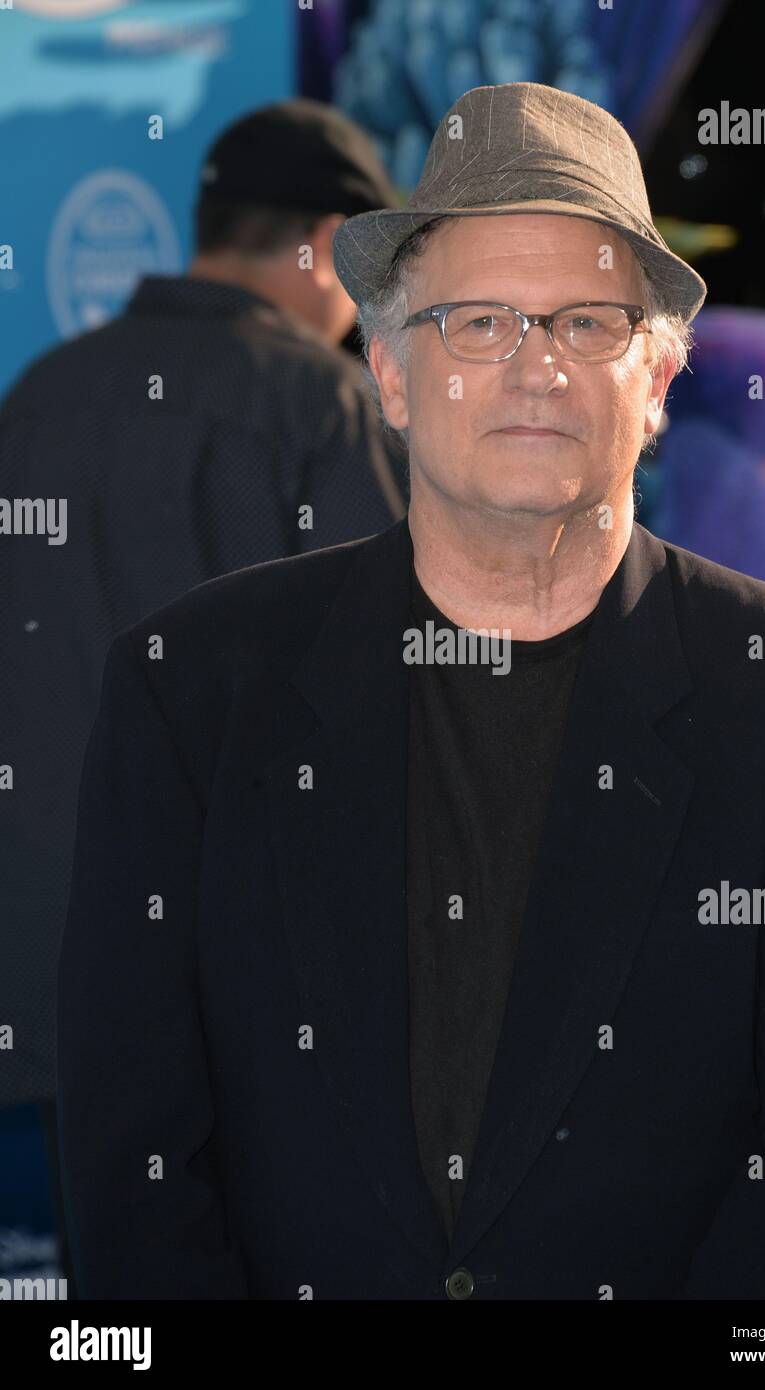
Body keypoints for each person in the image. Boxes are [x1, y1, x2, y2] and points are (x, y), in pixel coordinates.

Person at [57, 82, 765, 1301]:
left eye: (586, 324)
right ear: (391, 376)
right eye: (477, 324)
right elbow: (133, 1147)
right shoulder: (191, 691)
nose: (535, 369)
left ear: (659, 380)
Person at [0, 100, 407, 1279]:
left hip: (25, 993)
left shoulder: (37, 395)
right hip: (215, 1021)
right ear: (325, 245)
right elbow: (392, 710)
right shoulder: (319, 406)